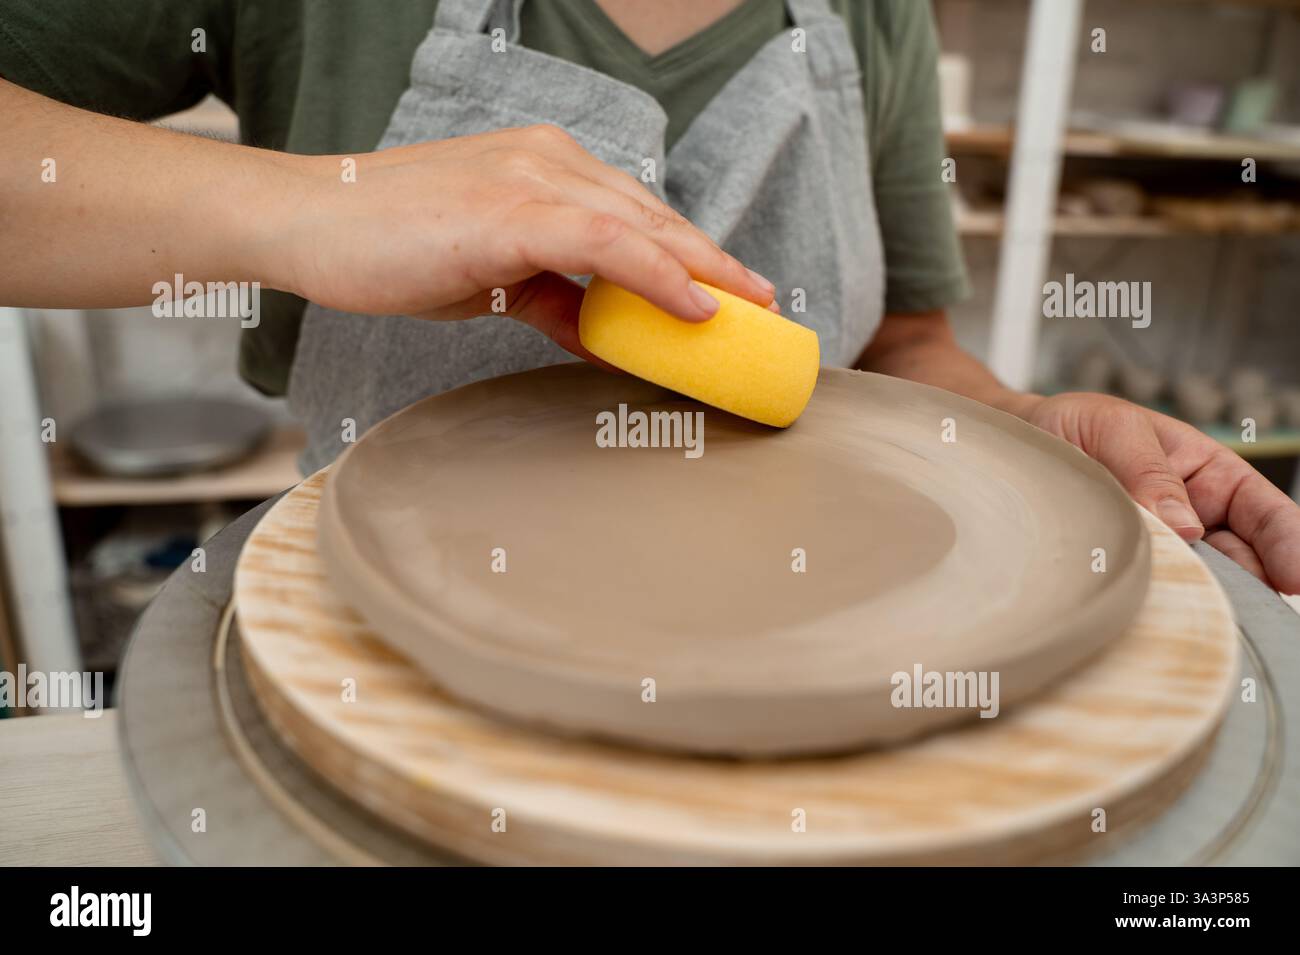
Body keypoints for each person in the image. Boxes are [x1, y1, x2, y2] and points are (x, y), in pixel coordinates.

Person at [2, 0, 1297, 591]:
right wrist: (311, 203)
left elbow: (903, 339)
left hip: (802, 634)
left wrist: (1020, 427)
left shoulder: (873, 16)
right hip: (397, 629)